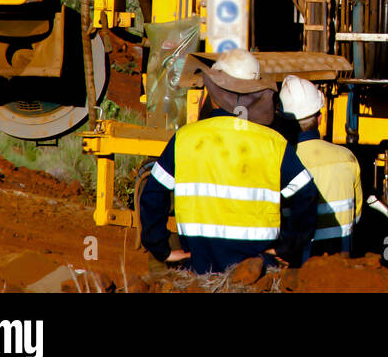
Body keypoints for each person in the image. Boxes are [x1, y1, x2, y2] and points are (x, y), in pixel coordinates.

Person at [139, 50, 317, 274]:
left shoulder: (184, 139)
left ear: (215, 90)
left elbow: (153, 196)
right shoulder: (274, 143)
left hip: (199, 269)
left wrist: (161, 248)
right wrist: (287, 249)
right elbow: (307, 196)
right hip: (256, 272)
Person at [279, 74, 363, 261]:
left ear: (284, 122)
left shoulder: (281, 162)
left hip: (297, 271)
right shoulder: (347, 158)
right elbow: (356, 217)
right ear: (320, 119)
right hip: (339, 268)